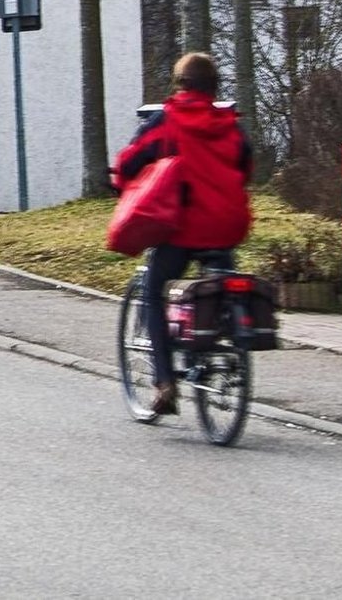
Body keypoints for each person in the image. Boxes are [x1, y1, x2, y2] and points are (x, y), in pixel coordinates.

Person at [112, 51, 254, 416]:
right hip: (227, 226)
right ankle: (220, 346)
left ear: (180, 84)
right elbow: (246, 165)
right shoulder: (230, 124)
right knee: (221, 285)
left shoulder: (168, 120)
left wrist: (122, 184)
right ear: (214, 87)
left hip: (179, 228)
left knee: (154, 292)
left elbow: (130, 162)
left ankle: (164, 383)